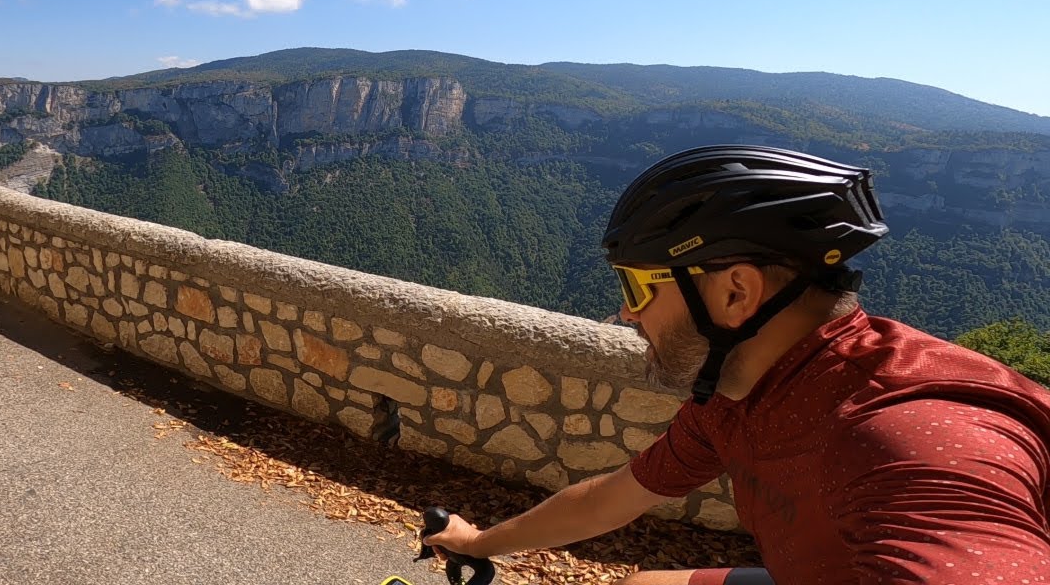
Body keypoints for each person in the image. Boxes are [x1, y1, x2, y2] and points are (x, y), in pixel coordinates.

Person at [424, 145, 1050, 584]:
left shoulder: (909, 434)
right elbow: (612, 499)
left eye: (639, 286)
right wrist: (480, 542)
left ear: (735, 293)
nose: (625, 313)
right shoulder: (740, 393)